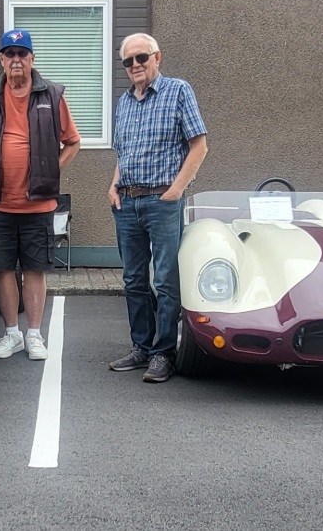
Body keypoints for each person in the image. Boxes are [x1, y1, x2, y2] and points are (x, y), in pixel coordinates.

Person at [0, 29, 81, 361]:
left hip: (38, 203)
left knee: (34, 270)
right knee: (2, 269)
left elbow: (73, 141)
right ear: (1, 59)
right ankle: (12, 334)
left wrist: (50, 170)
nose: (16, 60)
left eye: (22, 54)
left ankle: (34, 335)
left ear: (32, 59)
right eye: (9, 54)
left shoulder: (51, 96)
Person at [107, 32, 208, 383]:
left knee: (165, 280)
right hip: (128, 201)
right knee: (134, 279)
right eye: (128, 61)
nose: (135, 65)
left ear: (157, 57)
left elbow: (199, 147)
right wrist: (113, 184)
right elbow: (123, 153)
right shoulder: (124, 103)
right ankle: (141, 347)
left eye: (141, 58)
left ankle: (164, 353)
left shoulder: (178, 91)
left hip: (162, 201)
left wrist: (176, 191)